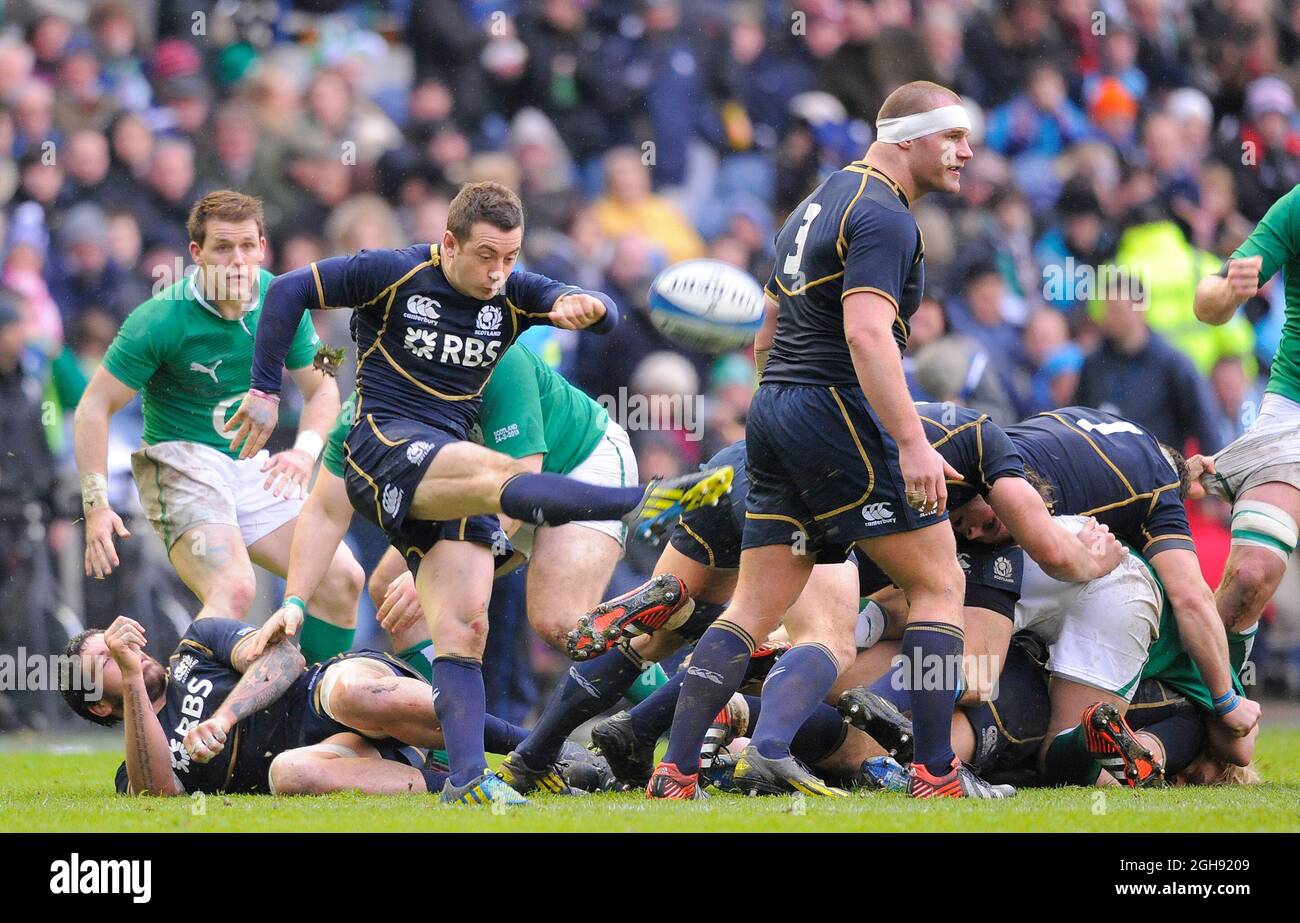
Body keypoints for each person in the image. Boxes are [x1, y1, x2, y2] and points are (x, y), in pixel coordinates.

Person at [239, 181, 731, 805]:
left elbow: (589, 325)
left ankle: (475, 776)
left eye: (511, 257)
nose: (500, 273)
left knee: (507, 621)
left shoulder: (510, 334)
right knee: (440, 587)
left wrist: (587, 304)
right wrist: (296, 601)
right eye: (486, 256)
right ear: (448, 244)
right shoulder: (392, 276)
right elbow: (328, 501)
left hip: (567, 464)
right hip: (432, 461)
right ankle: (648, 515)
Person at [646, 81, 1019, 800]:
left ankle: (676, 769)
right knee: (940, 582)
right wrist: (910, 443)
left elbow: (767, 329)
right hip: (831, 404)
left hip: (777, 405)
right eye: (953, 137)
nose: (967, 152)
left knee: (751, 609)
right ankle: (938, 771)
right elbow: (865, 333)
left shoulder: (814, 204)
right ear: (907, 137)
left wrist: (776, 416)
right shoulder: (886, 214)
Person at [72, 190, 364, 665]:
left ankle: (307, 720)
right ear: (196, 254)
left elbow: (326, 385)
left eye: (248, 246)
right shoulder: (159, 318)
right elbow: (92, 407)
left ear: (263, 247)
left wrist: (305, 452)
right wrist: (96, 504)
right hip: (180, 461)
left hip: (252, 464)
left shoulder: (284, 297)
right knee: (234, 587)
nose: (237, 260)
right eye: (223, 248)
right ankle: (185, 724)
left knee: (342, 578)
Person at [948, 407, 1260, 783]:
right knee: (1057, 757)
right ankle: (1094, 738)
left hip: (1040, 538)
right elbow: (1192, 598)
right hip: (1094, 570)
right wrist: (1228, 702)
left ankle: (895, 688)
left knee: (927, 612)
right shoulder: (1156, 492)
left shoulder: (1087, 424)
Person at [61, 615, 450, 797]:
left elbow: (285, 659)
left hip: (326, 693)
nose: (128, 651)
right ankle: (453, 787)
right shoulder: (134, 767)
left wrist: (223, 719)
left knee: (348, 693)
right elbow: (159, 795)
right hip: (342, 757)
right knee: (288, 774)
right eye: (111, 658)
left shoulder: (197, 644)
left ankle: (508, 743)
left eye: (120, 642)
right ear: (97, 706)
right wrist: (131, 680)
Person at [1192, 183, 1300, 689]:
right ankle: (1202, 715)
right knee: (1250, 575)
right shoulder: (1296, 206)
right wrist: (1231, 290)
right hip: (1292, 413)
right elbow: (1206, 303)